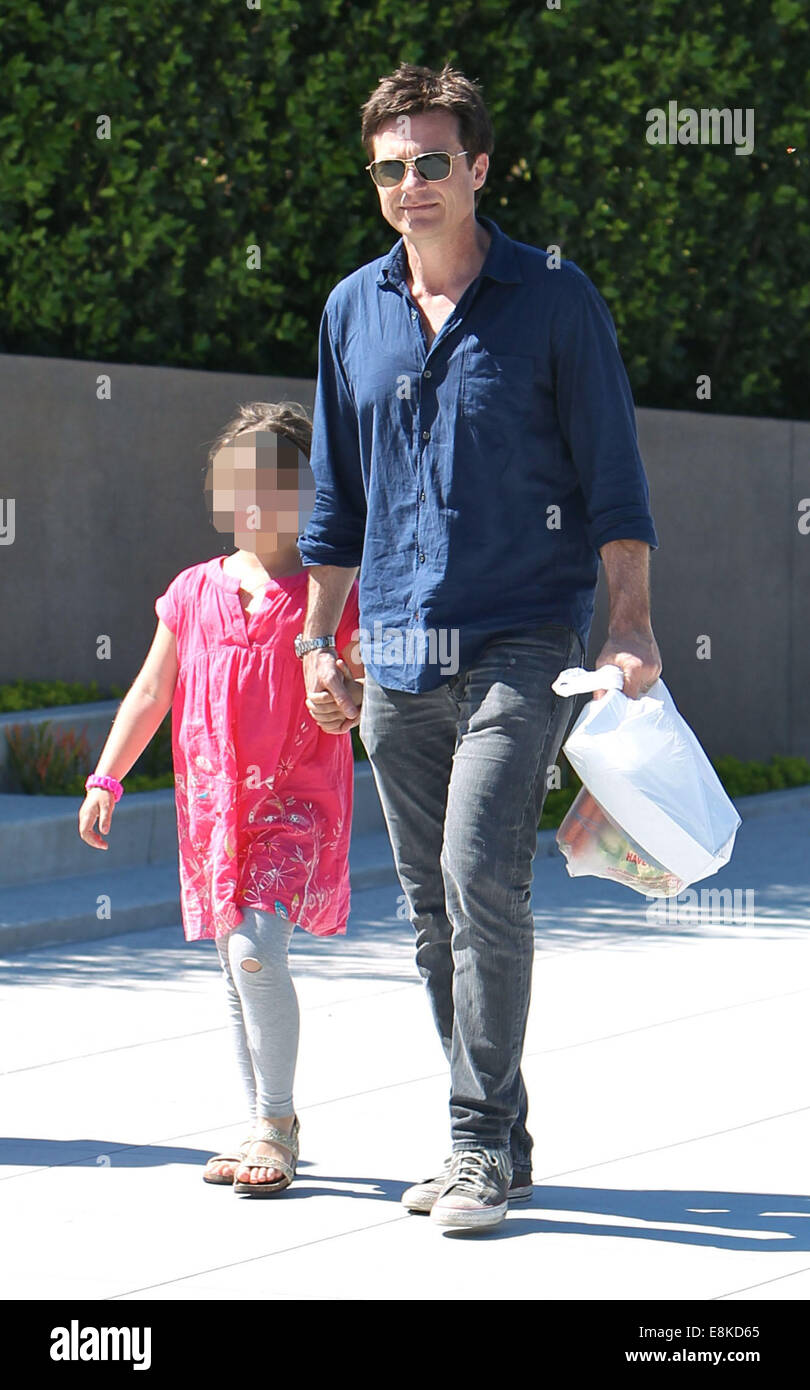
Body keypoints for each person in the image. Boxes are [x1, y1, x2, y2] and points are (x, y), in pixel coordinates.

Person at [297, 62, 662, 1231]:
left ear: (480, 169)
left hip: (525, 636)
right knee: (431, 912)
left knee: (478, 873)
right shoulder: (351, 310)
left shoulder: (554, 300)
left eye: (435, 162)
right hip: (397, 647)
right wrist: (318, 638)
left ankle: (470, 1145)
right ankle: (501, 1130)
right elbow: (334, 498)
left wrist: (633, 620)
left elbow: (614, 476)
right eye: (393, 167)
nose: (414, 183)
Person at [78, 402, 363, 1197]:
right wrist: (108, 774)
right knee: (236, 968)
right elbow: (150, 690)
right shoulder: (193, 590)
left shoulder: (326, 594)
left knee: (252, 953)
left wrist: (352, 698)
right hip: (214, 814)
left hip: (296, 804)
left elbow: (365, 682)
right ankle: (265, 1120)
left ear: (311, 494)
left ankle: (274, 1126)